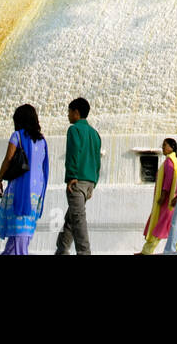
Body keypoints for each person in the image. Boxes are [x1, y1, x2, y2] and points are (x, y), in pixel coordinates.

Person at [0, 104, 49, 255]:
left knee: (19, 233)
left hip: (19, 191)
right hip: (36, 193)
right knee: (23, 233)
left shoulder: (17, 136)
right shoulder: (42, 141)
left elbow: (8, 159)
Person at [55, 96, 101, 255]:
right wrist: (94, 182)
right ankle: (61, 250)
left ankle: (84, 252)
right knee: (72, 218)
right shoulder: (95, 133)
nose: (68, 115)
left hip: (77, 179)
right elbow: (97, 159)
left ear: (76, 112)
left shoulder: (74, 130)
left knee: (78, 219)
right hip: (89, 181)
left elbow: (73, 154)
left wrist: (71, 176)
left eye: (69, 112)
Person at [138, 138, 177, 254]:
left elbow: (169, 180)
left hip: (167, 201)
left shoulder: (170, 162)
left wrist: (163, 194)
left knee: (159, 227)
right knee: (175, 228)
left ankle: (146, 251)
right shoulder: (172, 160)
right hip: (170, 200)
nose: (163, 147)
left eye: (165, 145)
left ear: (171, 147)